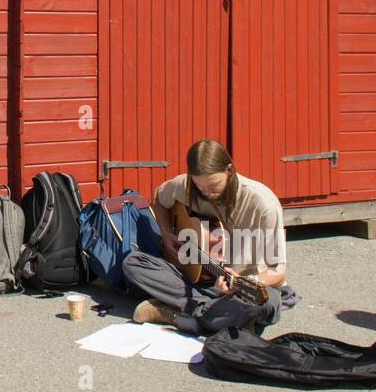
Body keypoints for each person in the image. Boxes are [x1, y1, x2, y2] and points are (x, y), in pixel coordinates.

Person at [122, 139, 286, 335]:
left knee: (266, 304)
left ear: (229, 170)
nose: (208, 193)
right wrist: (166, 234)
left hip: (244, 289)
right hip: (199, 279)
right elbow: (159, 196)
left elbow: (278, 272)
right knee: (133, 263)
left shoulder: (263, 205)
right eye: (201, 187)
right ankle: (210, 315)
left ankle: (178, 312)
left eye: (214, 185)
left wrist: (246, 280)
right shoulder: (188, 186)